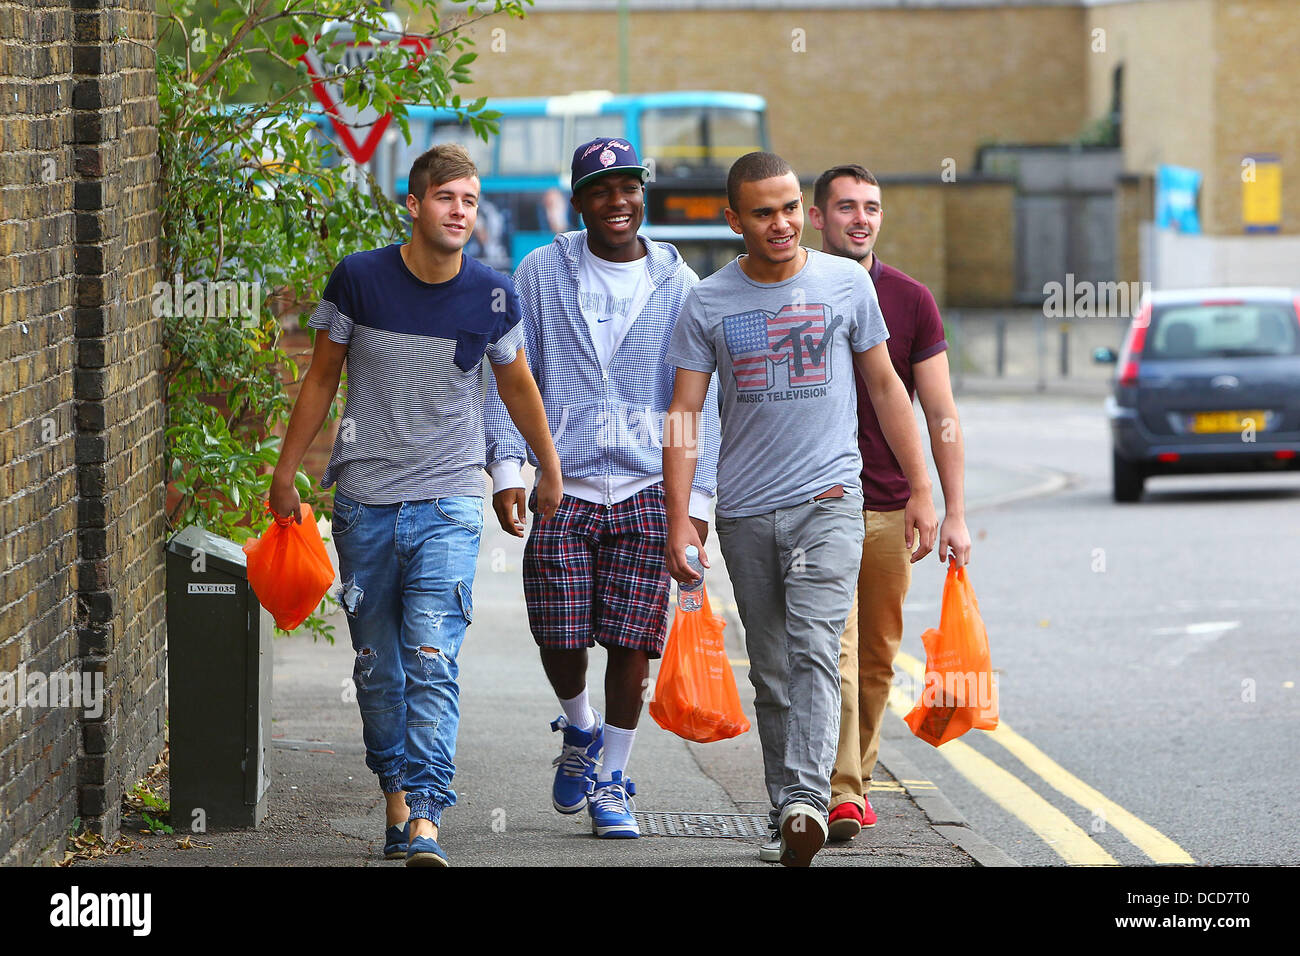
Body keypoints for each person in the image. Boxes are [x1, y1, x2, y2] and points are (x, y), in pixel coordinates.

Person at [268, 144, 562, 867]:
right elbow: (321, 378)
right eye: (446, 198)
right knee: (378, 665)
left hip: (450, 501)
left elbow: (518, 387)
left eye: (469, 200)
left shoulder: (493, 295)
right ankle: (395, 797)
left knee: (431, 656)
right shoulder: (360, 279)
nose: (460, 211)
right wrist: (284, 472)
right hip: (365, 503)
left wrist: (545, 468)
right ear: (413, 203)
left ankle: (428, 814)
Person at [662, 151, 938, 867]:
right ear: (734, 221)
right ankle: (787, 805)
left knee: (816, 649)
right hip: (746, 512)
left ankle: (809, 801)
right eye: (763, 212)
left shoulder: (846, 284)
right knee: (772, 669)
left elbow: (886, 388)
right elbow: (685, 414)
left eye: (789, 207)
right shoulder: (708, 302)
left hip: (829, 502)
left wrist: (922, 488)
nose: (782, 223)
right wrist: (678, 515)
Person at [484, 138, 719, 839]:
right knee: (557, 631)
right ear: (579, 200)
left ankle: (613, 780)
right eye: (600, 190)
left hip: (651, 486)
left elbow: (697, 406)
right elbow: (507, 373)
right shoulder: (539, 275)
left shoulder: (682, 288)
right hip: (565, 483)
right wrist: (506, 468)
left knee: (632, 641)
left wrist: (696, 507)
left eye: (628, 188)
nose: (617, 202)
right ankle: (580, 727)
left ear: (641, 195)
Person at [809, 164, 972, 841]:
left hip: (888, 506)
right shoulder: (799, 292)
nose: (861, 219)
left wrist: (949, 508)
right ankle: (840, 790)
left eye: (871, 207)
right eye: (845, 207)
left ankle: (857, 777)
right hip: (815, 504)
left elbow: (940, 413)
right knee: (834, 652)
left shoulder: (910, 299)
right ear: (817, 216)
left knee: (876, 657)